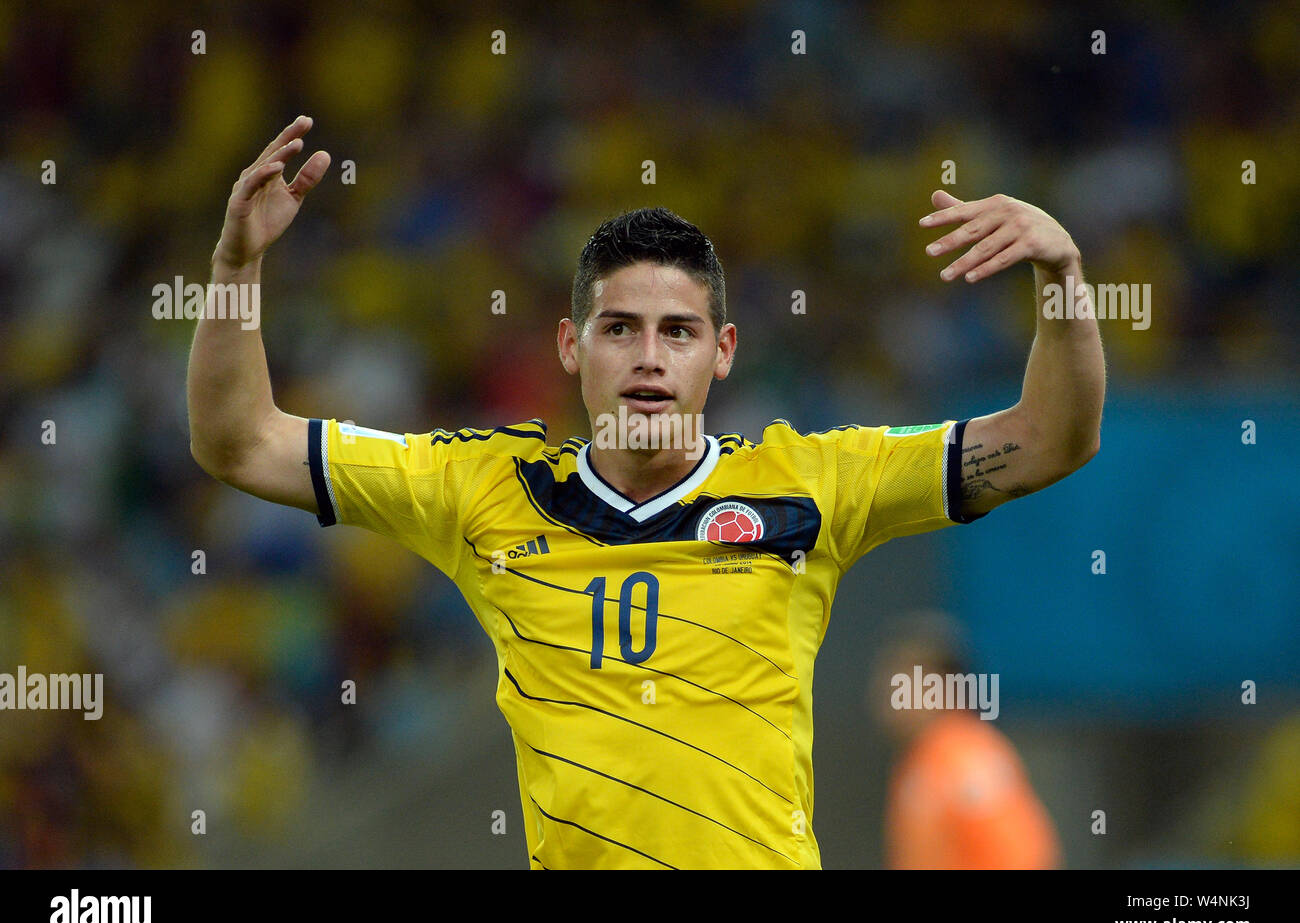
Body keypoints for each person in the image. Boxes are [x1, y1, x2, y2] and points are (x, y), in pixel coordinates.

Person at [187, 115, 1105, 869]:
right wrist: (235, 271)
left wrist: (1063, 282)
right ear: (568, 346)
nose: (650, 359)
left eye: (680, 332)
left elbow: (1048, 440)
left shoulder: (816, 483)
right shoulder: (481, 489)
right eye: (619, 328)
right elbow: (241, 441)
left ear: (725, 351)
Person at [869, 610, 1062, 869]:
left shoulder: (966, 757)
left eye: (904, 679)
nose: (889, 691)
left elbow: (1025, 859)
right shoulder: (924, 757)